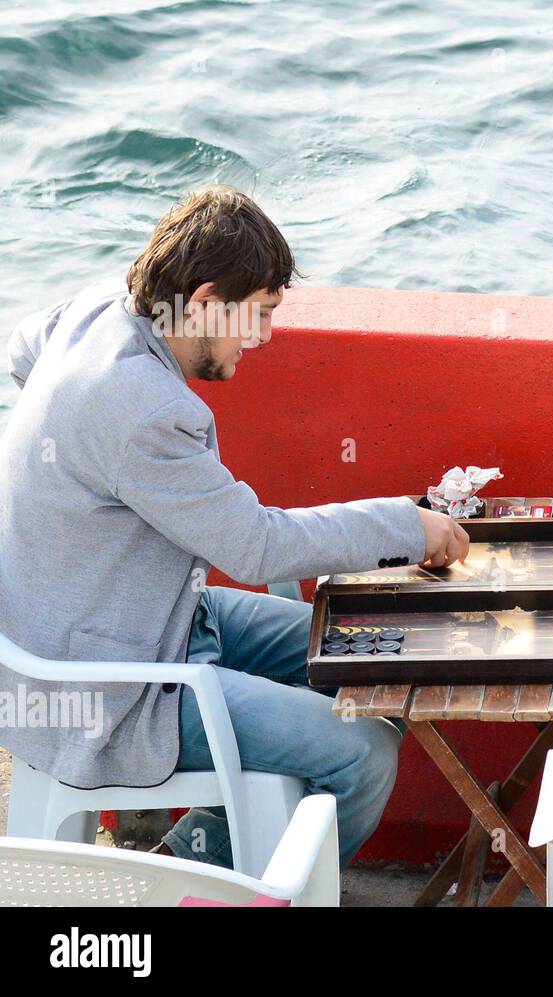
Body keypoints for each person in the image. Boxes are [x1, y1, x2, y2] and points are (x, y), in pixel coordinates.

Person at [0, 184, 469, 869]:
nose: (265, 337)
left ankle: (191, 858)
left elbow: (20, 350)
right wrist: (407, 525)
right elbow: (257, 546)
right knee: (364, 754)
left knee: (381, 661)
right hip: (110, 687)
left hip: (153, 620)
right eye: (259, 315)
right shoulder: (144, 409)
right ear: (203, 302)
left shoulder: (95, 312)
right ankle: (220, 890)